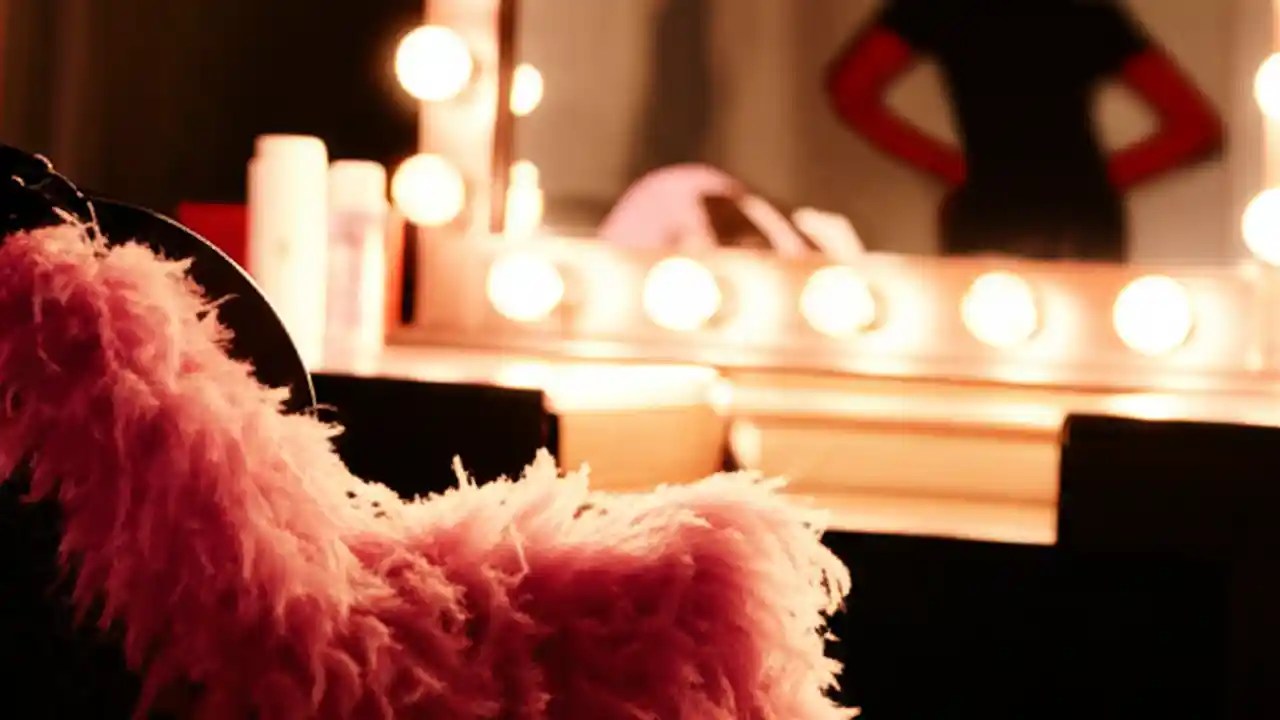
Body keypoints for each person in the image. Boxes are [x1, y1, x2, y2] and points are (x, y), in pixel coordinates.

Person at [827, 0, 1223, 261]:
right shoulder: (1087, 11)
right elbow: (1196, 128)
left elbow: (850, 90)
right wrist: (1091, 181)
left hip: (991, 205)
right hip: (1077, 216)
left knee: (988, 360)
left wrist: (948, 167)